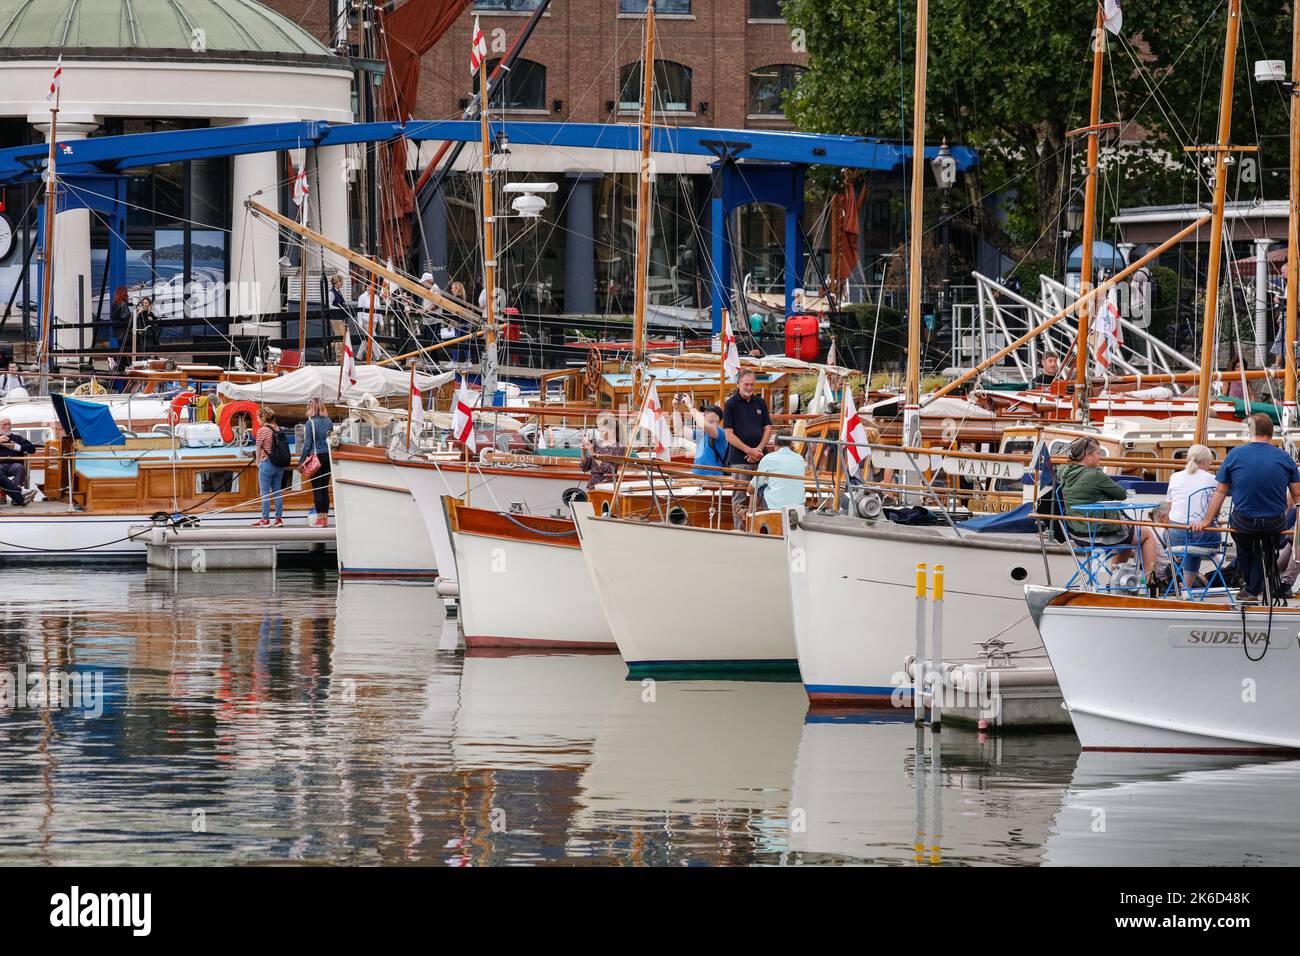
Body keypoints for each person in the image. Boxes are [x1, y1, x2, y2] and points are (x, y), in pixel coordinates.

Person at [1195, 413, 1300, 603]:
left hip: (1244, 520)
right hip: (1274, 521)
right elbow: (1298, 496)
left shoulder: (1234, 454)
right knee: (1266, 550)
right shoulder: (1285, 458)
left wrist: (1207, 520)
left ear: (1251, 431)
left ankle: (1250, 589)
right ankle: (1252, 589)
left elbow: (1220, 491)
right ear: (1271, 432)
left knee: (1244, 546)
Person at [1058, 436, 1166, 588]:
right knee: (1146, 534)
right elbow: (1121, 494)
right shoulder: (1095, 475)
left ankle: (1116, 579)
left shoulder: (1064, 471)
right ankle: (1149, 582)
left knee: (1128, 535)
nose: (1100, 456)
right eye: (1098, 453)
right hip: (1098, 532)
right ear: (1087, 455)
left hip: (1076, 532)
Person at [1165, 444, 1220, 589]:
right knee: (1195, 541)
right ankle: (1216, 557)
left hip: (1175, 536)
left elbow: (1169, 508)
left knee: (1187, 543)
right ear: (1207, 461)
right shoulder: (1213, 479)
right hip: (1204, 537)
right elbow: (1216, 512)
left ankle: (1185, 587)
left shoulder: (1174, 477)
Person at [723, 368, 773, 526]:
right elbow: (728, 434)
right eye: (746, 384)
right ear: (738, 384)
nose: (749, 387)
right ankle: (740, 530)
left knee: (761, 494)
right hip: (740, 459)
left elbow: (768, 428)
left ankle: (760, 528)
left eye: (752, 384)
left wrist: (758, 449)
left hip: (760, 458)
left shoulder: (761, 402)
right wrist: (748, 450)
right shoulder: (730, 404)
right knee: (740, 496)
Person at [752, 434, 808, 514]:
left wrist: (749, 489)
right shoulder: (800, 458)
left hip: (775, 507)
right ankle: (752, 516)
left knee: (759, 488)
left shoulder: (768, 458)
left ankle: (752, 517)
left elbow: (756, 483)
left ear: (775, 444)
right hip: (798, 507)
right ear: (791, 444)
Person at [300, 397, 334, 527]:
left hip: (316, 457)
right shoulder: (329, 421)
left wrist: (301, 461)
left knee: (317, 489)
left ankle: (320, 519)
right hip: (327, 456)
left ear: (311, 408)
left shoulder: (310, 423)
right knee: (324, 488)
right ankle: (325, 518)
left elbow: (307, 445)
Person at [252, 407, 287, 527]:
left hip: (266, 463)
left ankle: (265, 519)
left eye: (257, 417)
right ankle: (278, 519)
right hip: (279, 464)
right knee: (277, 492)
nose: (256, 420)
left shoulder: (262, 431)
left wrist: (257, 462)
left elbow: (258, 448)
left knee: (265, 492)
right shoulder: (278, 429)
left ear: (262, 418)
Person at [683, 398, 728, 478]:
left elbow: (704, 425)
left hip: (713, 478)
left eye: (707, 412)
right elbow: (679, 430)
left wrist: (690, 407)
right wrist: (675, 408)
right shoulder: (702, 434)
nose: (704, 414)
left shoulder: (721, 433)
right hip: (697, 477)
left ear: (716, 418)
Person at [579, 413, 624, 490]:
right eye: (599, 431)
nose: (599, 434)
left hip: (607, 485)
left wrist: (593, 453)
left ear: (612, 430)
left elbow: (609, 469)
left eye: (602, 431)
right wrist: (583, 452)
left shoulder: (618, 447)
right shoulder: (597, 444)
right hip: (592, 484)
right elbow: (585, 468)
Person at [0, 417, 36, 507]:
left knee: (19, 467)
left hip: (14, 464)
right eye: (5, 424)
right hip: (1, 465)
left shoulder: (17, 438)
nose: (7, 426)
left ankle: (15, 498)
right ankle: (3, 496)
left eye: (9, 424)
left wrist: (18, 447)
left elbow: (32, 449)